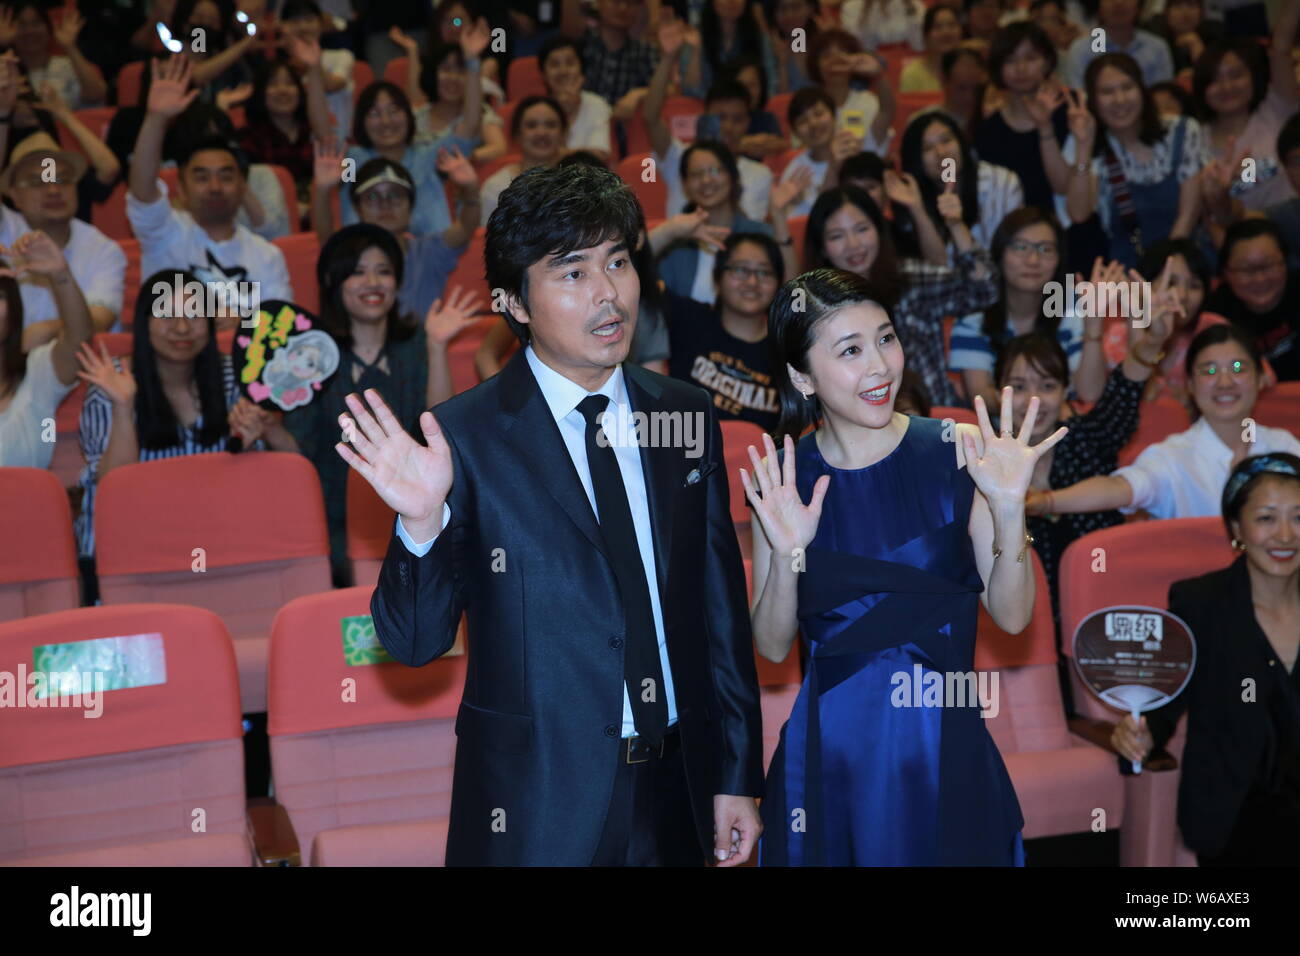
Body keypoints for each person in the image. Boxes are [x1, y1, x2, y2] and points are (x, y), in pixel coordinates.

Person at [349, 161, 764, 866]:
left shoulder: (685, 413)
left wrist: (736, 774)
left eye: (619, 262)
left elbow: (718, 611)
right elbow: (415, 642)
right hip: (535, 807)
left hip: (680, 788)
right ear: (513, 302)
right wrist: (421, 526)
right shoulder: (467, 439)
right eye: (571, 273)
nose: (608, 294)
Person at [747, 267, 1066, 865]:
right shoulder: (786, 477)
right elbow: (770, 647)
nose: (880, 366)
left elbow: (1014, 617)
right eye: (850, 350)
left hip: (944, 749)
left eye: (886, 338)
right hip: (828, 758)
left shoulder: (958, 449)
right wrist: (791, 552)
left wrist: (1007, 509)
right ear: (801, 374)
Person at [1112, 452, 1300, 866]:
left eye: (1298, 517)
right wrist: (1137, 735)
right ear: (1236, 528)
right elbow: (1161, 706)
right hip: (1235, 821)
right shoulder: (1200, 604)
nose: (1285, 535)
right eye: (1266, 518)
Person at [282, 223, 481, 586]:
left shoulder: (416, 344)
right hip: (336, 522)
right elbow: (300, 451)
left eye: (384, 271)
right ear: (334, 282)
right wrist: (267, 429)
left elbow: (439, 430)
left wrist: (437, 348)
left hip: (417, 504)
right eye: (357, 272)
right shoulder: (310, 355)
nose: (373, 282)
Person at [997, 263, 1178, 644]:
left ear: (1065, 392)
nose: (1033, 401)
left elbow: (1124, 391)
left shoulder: (1087, 439)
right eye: (1017, 386)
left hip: (1102, 618)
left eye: (1046, 385)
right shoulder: (984, 462)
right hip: (1018, 632)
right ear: (998, 395)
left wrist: (1149, 343)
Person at [74, 268, 297, 569]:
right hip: (133, 542)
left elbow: (288, 476)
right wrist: (125, 408)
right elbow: (114, 490)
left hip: (217, 536)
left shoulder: (236, 375)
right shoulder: (112, 382)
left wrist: (259, 432)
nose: (182, 328)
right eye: (167, 316)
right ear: (144, 323)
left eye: (194, 315)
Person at [1031, 323, 1300, 522]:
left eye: (1239, 368)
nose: (1225, 382)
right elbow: (1120, 488)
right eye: (1209, 370)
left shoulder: (1285, 446)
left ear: (1261, 378)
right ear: (1191, 385)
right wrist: (1047, 501)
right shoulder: (1173, 456)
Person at [127, 56, 292, 326]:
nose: (215, 187)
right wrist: (156, 120)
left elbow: (281, 326)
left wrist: (235, 322)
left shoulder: (267, 255)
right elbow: (143, 191)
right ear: (181, 188)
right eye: (202, 177)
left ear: (242, 187)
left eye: (226, 177)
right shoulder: (164, 234)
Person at [803, 184, 999, 405]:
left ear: (879, 229)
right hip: (857, 427)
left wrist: (955, 225)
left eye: (862, 229)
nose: (853, 245)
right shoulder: (814, 305)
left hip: (931, 421)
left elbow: (985, 291)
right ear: (821, 247)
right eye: (837, 236)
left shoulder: (911, 280)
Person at [949, 207, 1109, 406]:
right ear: (999, 254)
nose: (1033, 260)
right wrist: (1040, 406)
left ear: (1059, 259)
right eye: (1021, 247)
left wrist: (1093, 328)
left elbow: (1090, 393)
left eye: (1045, 249)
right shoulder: (973, 320)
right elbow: (982, 398)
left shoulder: (1074, 306)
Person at [1060, 53, 1204, 269]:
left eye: (1127, 87)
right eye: (1107, 92)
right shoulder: (1093, 144)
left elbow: (1189, 213)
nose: (1119, 100)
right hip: (1127, 273)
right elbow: (1079, 213)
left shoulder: (1182, 130)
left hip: (1185, 264)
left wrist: (1166, 268)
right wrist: (1083, 145)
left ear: (1142, 90)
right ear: (1093, 100)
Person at [311, 145, 480, 325]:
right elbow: (327, 237)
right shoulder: (348, 252)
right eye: (373, 197)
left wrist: (470, 188)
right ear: (358, 208)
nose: (386, 204)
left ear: (411, 206)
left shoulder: (429, 252)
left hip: (421, 350)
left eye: (396, 195)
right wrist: (322, 190)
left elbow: (465, 227)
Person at [0, 132, 125, 352]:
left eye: (63, 180)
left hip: (80, 373)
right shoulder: (5, 228)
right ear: (13, 194)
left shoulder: (104, 250)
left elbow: (99, 322)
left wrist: (46, 330)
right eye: (37, 182)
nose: (54, 190)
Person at [648, 19, 772, 222]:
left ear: (747, 124)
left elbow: (747, 231)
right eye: (721, 117)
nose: (728, 127)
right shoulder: (680, 157)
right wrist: (668, 59)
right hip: (682, 251)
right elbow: (651, 118)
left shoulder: (760, 174)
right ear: (704, 117)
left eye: (737, 119)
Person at [665, 232, 784, 431]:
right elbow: (633, 269)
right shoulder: (687, 318)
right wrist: (672, 229)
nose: (752, 282)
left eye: (764, 272)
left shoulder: (788, 354)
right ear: (718, 278)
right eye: (740, 270)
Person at [655, 140, 798, 304]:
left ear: (733, 177)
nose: (706, 180)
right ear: (685, 185)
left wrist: (778, 217)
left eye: (715, 170)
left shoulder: (759, 234)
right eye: (696, 174)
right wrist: (666, 232)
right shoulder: (674, 243)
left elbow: (792, 295)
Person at [1194, 4, 1300, 219]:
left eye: (1235, 75)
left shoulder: (1276, 108)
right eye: (1214, 79)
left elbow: (1280, 47)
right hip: (1233, 243)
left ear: (1253, 77)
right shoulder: (1193, 140)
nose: (1226, 87)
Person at [0, 230, 94, 469]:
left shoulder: (38, 376)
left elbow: (79, 341)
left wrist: (60, 274)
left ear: (13, 308)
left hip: (30, 504)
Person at [343, 80, 474, 239]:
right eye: (374, 114)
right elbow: (324, 138)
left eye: (394, 111)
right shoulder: (350, 160)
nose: (386, 121)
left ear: (409, 115)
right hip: (366, 256)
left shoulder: (429, 156)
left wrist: (473, 65)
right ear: (361, 121)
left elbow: (469, 129)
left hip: (431, 257)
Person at [899, 109, 1023, 263]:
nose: (941, 152)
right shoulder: (911, 197)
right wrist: (918, 211)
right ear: (916, 160)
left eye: (946, 140)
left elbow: (1012, 254)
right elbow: (937, 268)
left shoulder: (1001, 182)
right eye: (927, 148)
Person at [976, 22, 1070, 217]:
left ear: (1047, 62)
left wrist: (1045, 128)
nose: (1021, 68)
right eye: (1010, 60)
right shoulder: (990, 129)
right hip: (1015, 232)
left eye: (1031, 58)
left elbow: (1065, 187)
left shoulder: (1071, 113)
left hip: (1068, 225)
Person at [233, 38, 334, 208]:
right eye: (273, 84)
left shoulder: (310, 130)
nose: (282, 91)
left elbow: (327, 142)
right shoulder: (248, 138)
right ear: (260, 93)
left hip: (317, 208)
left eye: (289, 83)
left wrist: (314, 69)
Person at [390, 20, 503, 164]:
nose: (453, 78)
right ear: (433, 74)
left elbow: (499, 148)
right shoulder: (417, 116)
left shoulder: (480, 115)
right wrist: (412, 50)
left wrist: (464, 159)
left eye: (460, 71)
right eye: (446, 69)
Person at [1203, 218, 1300, 383]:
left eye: (1268, 265)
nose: (1260, 278)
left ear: (1285, 263)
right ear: (1226, 274)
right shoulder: (1213, 316)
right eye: (1246, 270)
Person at [559, 0, 659, 116]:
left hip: (626, 127)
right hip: (582, 124)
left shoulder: (646, 51)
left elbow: (667, 89)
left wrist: (639, 94)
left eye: (631, 3)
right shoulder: (581, 47)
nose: (623, 8)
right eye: (615, 1)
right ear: (598, 3)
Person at [778, 86, 866, 218]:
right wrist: (833, 167)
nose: (813, 123)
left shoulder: (856, 155)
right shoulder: (795, 172)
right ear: (795, 133)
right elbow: (815, 222)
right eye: (803, 121)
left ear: (834, 116)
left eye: (819, 114)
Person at [0, 1, 106, 109]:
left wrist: (70, 47)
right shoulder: (5, 70)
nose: (29, 31)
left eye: (36, 23)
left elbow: (96, 95)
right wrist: (2, 46)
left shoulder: (67, 65)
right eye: (22, 25)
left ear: (49, 28)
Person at [479, 96, 569, 222]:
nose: (542, 132)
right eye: (531, 125)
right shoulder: (497, 186)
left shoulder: (575, 181)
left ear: (563, 133)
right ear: (517, 134)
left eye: (551, 125)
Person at [278, 0, 357, 142]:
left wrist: (314, 60)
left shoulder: (342, 56)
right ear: (283, 27)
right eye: (295, 21)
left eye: (309, 20)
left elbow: (332, 85)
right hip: (294, 144)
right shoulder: (278, 69)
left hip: (339, 141)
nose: (303, 27)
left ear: (321, 24)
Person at [1062, 0, 1173, 89]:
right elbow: (1079, 97)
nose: (1119, 3)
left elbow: (1162, 97)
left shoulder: (1157, 48)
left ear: (1139, 5)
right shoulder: (1082, 49)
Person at [538, 34, 613, 162]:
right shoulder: (537, 110)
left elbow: (599, 156)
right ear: (543, 74)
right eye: (555, 64)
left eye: (570, 63)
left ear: (581, 70)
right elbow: (534, 159)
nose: (563, 71)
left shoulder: (596, 104)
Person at [898, 5, 964, 93]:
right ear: (926, 36)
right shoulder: (913, 74)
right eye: (938, 27)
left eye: (952, 25)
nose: (946, 32)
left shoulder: (970, 70)